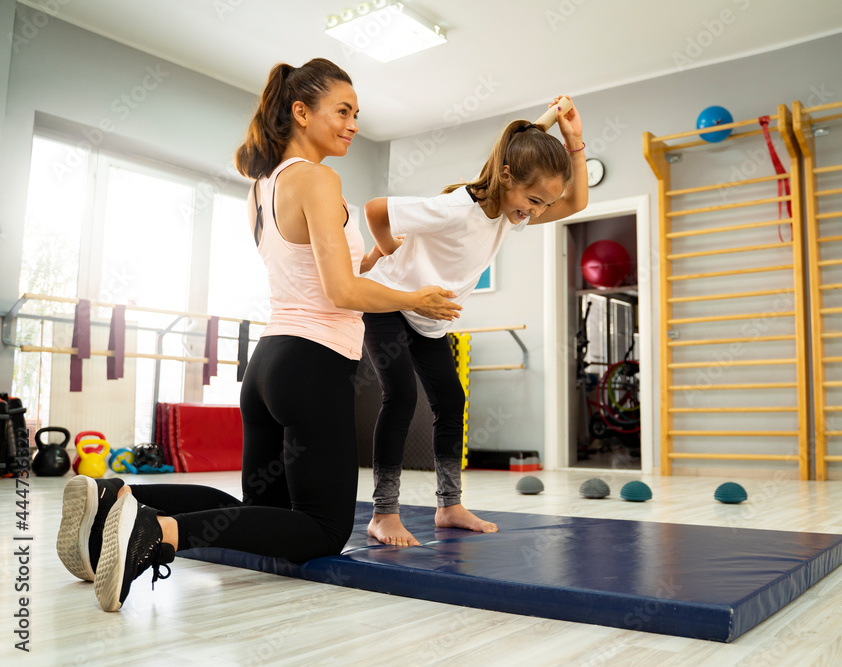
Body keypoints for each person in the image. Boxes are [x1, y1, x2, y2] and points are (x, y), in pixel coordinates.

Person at [55, 58, 461, 612]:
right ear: (301, 111)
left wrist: (381, 256)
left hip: (270, 365)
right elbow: (341, 294)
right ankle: (155, 534)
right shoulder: (318, 178)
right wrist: (416, 299)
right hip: (312, 368)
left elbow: (322, 277)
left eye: (357, 114)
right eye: (343, 111)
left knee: (263, 514)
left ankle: (117, 499)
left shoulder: (262, 186)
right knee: (320, 530)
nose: (353, 124)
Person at [362, 97, 587, 546]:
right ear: (506, 176)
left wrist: (574, 143)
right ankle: (384, 513)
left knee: (451, 400)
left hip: (430, 319)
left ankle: (449, 506)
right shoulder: (455, 208)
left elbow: (576, 203)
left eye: (544, 204)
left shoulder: (508, 213)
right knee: (402, 396)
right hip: (388, 302)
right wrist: (385, 252)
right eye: (533, 200)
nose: (537, 212)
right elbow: (375, 209)